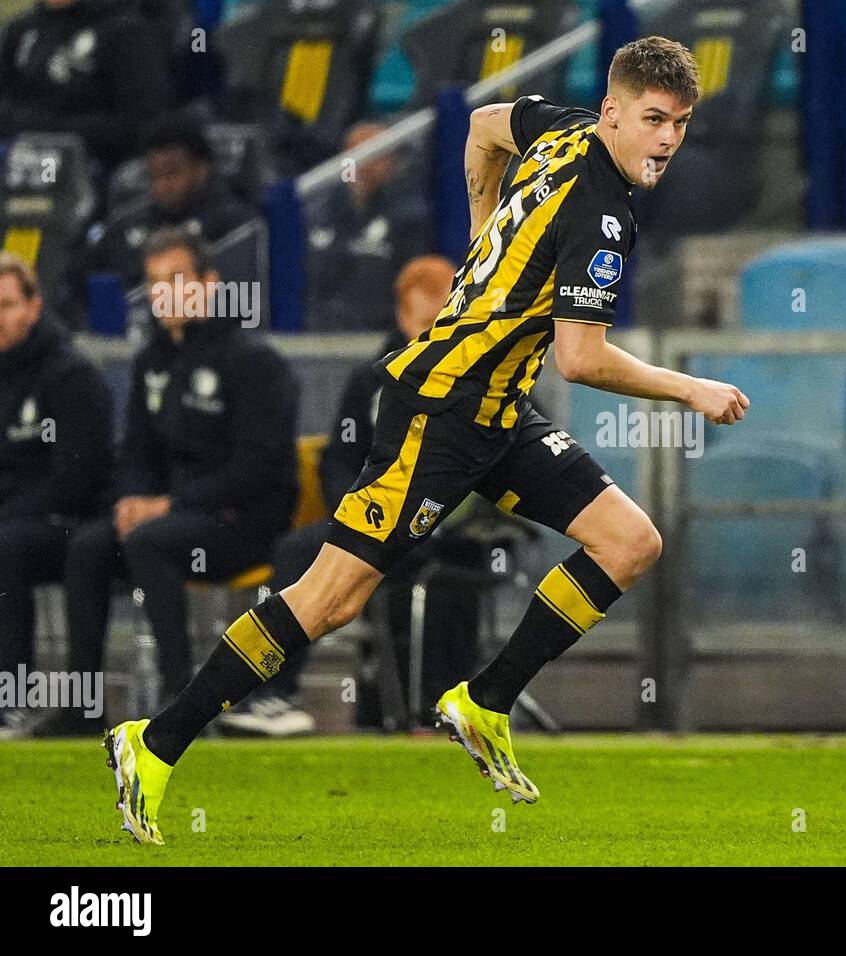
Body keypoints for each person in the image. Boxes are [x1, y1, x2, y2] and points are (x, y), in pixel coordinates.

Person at [102, 35, 750, 844]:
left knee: (628, 540)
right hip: (439, 411)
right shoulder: (604, 215)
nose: (666, 140)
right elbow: (581, 359)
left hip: (499, 410)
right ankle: (155, 743)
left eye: (681, 124)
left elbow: (482, 125)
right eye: (654, 119)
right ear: (614, 110)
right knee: (330, 599)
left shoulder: (567, 127)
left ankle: (483, 701)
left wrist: (482, 229)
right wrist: (691, 388)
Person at [28, 228, 299, 737]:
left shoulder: (254, 361)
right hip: (172, 517)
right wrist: (133, 498)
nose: (165, 294)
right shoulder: (151, 359)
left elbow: (257, 470)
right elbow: (135, 451)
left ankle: (183, 707)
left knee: (151, 542)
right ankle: (82, 707)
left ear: (211, 284)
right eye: (154, 283)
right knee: (87, 546)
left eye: (177, 279)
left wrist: (168, 504)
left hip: (243, 523)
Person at [216, 254, 457, 737]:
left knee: (304, 553)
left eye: (439, 321)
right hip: (368, 519)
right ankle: (273, 694)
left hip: (437, 528)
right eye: (420, 321)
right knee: (295, 551)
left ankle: (276, 693)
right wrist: (352, 507)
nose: (427, 332)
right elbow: (339, 458)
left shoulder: (474, 374)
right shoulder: (373, 377)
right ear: (401, 316)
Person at [0, 252, 113, 732]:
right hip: (15, 519)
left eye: (6, 304)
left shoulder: (71, 375)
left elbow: (77, 478)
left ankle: (12, 696)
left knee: (6, 546)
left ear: (34, 306)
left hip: (71, 523)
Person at [0, 0, 173, 174]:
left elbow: (143, 122)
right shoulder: (21, 30)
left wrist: (48, 129)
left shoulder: (126, 31)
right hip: (19, 164)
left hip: (99, 169)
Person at [88, 116, 258, 290]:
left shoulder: (236, 227)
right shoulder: (125, 226)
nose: (162, 186)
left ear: (201, 170)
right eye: (154, 176)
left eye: (172, 174)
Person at [305, 121, 435, 332]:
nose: (362, 166)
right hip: (318, 330)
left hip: (379, 333)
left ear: (392, 162)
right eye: (353, 157)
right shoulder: (319, 214)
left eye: (373, 156)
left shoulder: (410, 219)